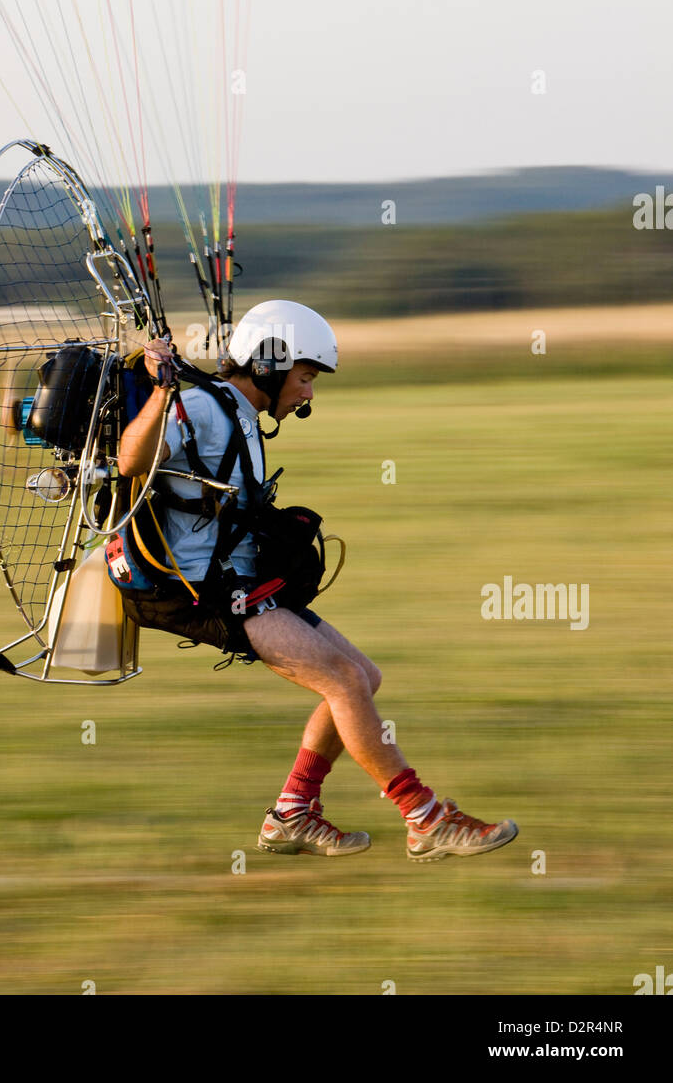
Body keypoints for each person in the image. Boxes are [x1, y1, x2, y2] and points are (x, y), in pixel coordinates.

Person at [116, 300, 518, 863]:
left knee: (362, 677)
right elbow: (132, 461)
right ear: (267, 367)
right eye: (304, 378)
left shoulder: (235, 411)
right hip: (191, 589)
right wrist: (162, 390)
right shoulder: (202, 406)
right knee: (344, 683)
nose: (308, 393)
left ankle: (291, 815)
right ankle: (424, 818)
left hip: (233, 579)